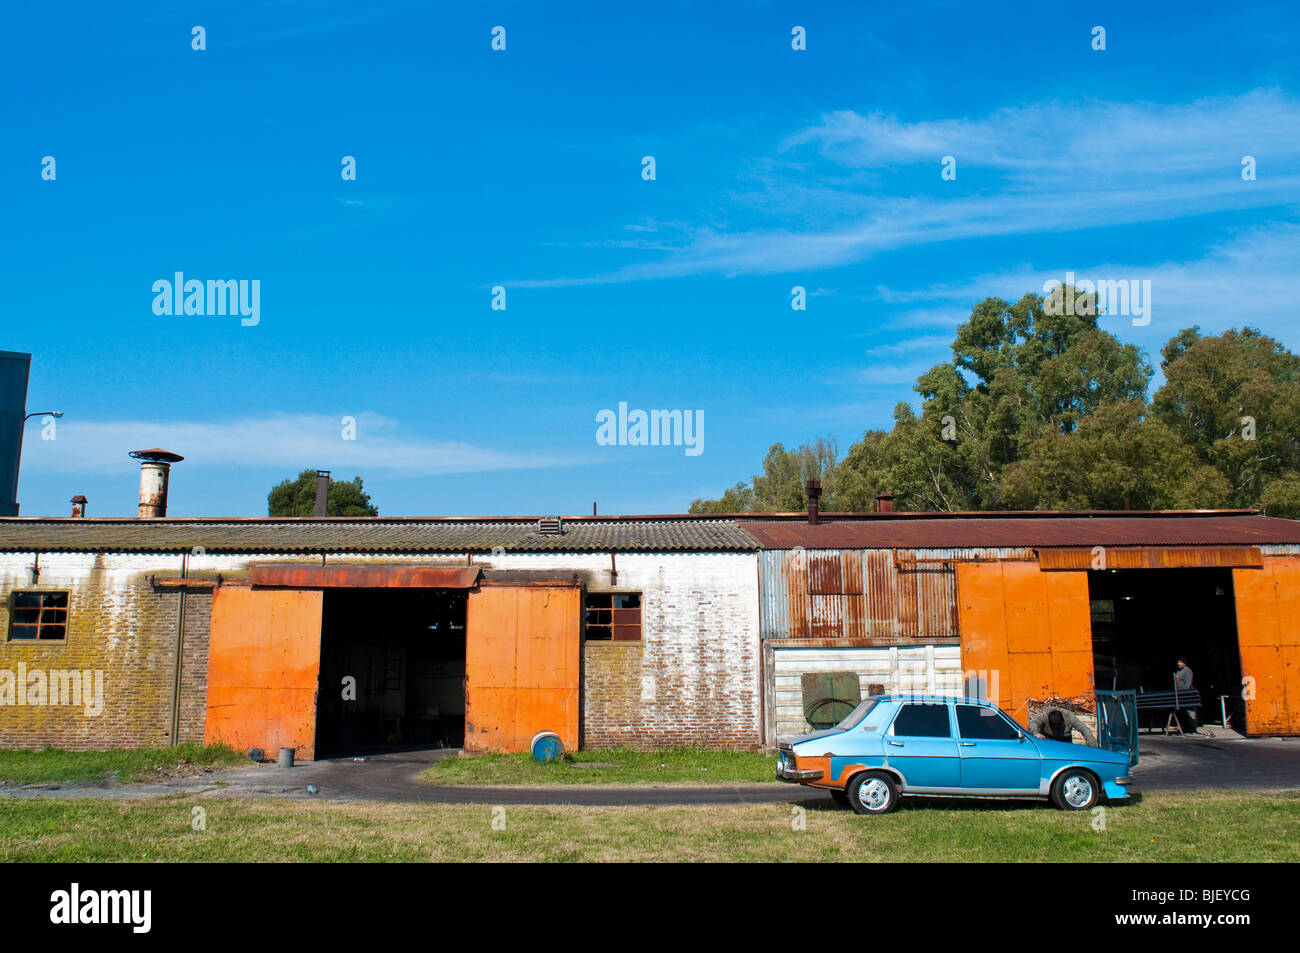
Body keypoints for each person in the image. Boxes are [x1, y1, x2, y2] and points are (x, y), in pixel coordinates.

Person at [1029, 706, 1097, 746]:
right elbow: (1033, 723)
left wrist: (1093, 748)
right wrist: (1036, 733)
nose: (1056, 728)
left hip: (1065, 741)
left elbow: (1084, 729)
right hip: (1047, 740)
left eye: (1058, 726)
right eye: (1054, 726)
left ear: (1063, 722)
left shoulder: (1070, 717)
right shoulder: (1044, 715)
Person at [1174, 657, 1199, 734]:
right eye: (1178, 662)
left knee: (1190, 712)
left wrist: (1182, 690)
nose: (1179, 663)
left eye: (1180, 662)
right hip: (1180, 695)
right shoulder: (1178, 671)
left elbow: (1187, 685)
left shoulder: (1187, 671)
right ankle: (1184, 728)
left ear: (1184, 663)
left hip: (1187, 695)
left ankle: (1192, 729)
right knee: (1182, 712)